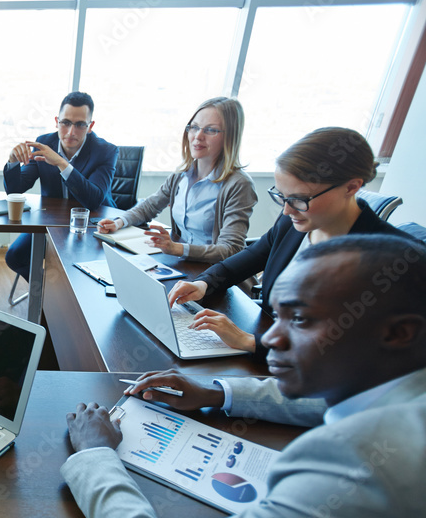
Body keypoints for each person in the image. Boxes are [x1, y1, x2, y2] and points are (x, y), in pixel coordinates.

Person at [63, 235, 426, 518]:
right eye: (278, 316)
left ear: (398, 333)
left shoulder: (359, 464)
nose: (270, 339)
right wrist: (220, 392)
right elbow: (330, 395)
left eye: (302, 320)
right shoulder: (401, 382)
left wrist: (95, 455)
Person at [167, 127, 418, 354]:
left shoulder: (392, 261)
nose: (287, 210)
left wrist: (250, 341)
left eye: (299, 199)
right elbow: (248, 259)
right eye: (282, 196)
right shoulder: (294, 222)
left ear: (352, 187)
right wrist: (203, 283)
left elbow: (342, 350)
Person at [97, 97, 257, 262]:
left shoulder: (239, 185)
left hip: (214, 274)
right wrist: (119, 222)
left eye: (211, 130)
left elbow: (230, 250)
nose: (198, 136)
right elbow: (149, 207)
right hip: (184, 265)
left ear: (230, 137)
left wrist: (177, 248)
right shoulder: (182, 174)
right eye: (194, 127)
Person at [3, 91, 118, 280]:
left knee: (77, 272)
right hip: (52, 222)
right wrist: (13, 162)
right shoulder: (44, 143)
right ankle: (46, 296)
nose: (71, 132)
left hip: (94, 224)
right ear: (57, 121)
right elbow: (15, 190)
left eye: (80, 124)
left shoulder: (106, 151)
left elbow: (93, 199)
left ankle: (61, 296)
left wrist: (62, 163)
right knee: (15, 257)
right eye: (65, 123)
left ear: (90, 126)